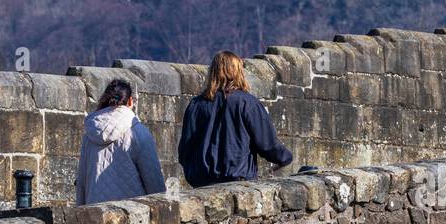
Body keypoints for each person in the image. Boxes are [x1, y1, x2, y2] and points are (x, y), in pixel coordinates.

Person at [178, 50, 292, 188]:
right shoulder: (246, 103)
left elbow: (185, 149)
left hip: (201, 183)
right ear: (237, 72)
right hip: (237, 181)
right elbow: (267, 144)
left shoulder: (196, 105)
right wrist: (284, 158)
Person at [75, 78, 166, 206]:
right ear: (130, 101)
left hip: (93, 211)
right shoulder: (139, 133)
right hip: (130, 213)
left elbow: (82, 181)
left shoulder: (90, 133)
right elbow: (153, 180)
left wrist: (80, 210)